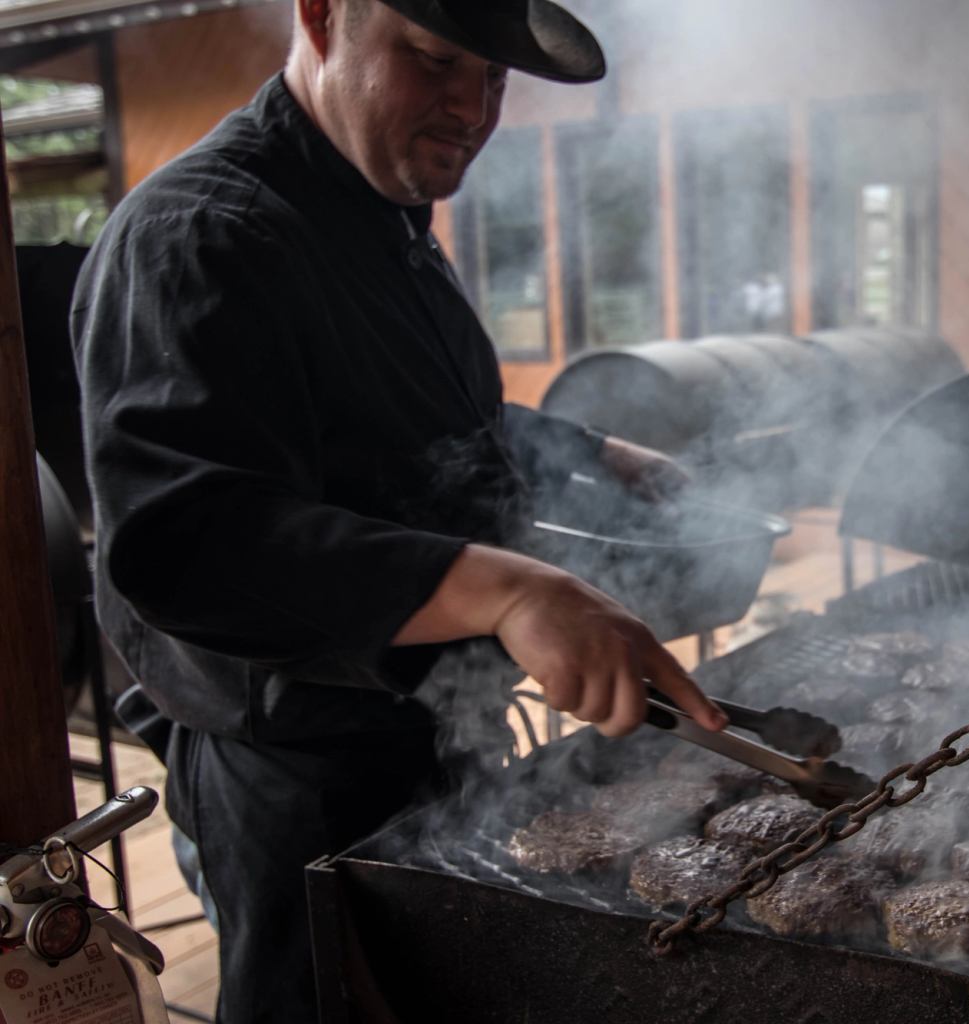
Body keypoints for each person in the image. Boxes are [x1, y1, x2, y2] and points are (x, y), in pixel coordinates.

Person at [70, 1, 727, 1020]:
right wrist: (507, 588)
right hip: (302, 778)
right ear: (324, 15)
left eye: (497, 80)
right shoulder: (202, 234)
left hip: (437, 726)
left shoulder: (380, 221)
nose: (472, 108)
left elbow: (430, 422)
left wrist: (596, 450)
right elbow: (191, 540)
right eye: (435, 60)